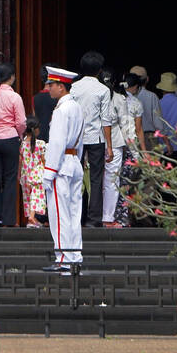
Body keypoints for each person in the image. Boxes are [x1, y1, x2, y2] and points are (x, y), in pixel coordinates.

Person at [40, 68, 85, 270]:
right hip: (74, 161)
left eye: (51, 85)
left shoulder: (61, 110)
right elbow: (81, 141)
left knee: (60, 214)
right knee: (74, 213)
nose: (48, 88)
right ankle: (75, 255)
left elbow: (56, 143)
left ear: (61, 86)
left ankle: (64, 257)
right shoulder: (76, 107)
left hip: (61, 165)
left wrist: (49, 172)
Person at [71, 51, 117, 229]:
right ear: (99, 70)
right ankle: (93, 219)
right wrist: (110, 147)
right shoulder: (103, 90)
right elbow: (106, 120)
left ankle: (76, 216)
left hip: (76, 137)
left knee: (76, 177)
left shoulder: (74, 88)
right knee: (96, 179)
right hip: (96, 138)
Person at [0, 63, 26, 227]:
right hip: (9, 139)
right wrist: (18, 134)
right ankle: (8, 219)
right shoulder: (15, 97)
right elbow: (21, 122)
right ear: (12, 77)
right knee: (9, 179)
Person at [103, 70, 140, 228]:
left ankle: (104, 216)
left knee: (103, 180)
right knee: (111, 180)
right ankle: (107, 216)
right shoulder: (118, 98)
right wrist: (134, 150)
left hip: (102, 141)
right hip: (112, 142)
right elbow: (126, 126)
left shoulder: (116, 98)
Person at [129, 65, 166, 155]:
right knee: (150, 167)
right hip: (149, 138)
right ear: (147, 79)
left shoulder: (124, 97)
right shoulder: (152, 96)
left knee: (133, 167)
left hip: (131, 138)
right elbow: (158, 124)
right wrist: (166, 141)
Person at [19, 117, 48, 227]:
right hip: (37, 174)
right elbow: (43, 159)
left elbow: (20, 160)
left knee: (27, 197)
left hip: (25, 174)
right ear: (36, 130)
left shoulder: (22, 144)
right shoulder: (41, 144)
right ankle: (32, 217)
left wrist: (19, 174)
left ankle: (31, 219)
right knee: (36, 196)